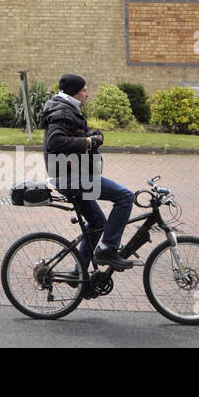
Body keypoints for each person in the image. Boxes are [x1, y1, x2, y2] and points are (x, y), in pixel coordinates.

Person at [39, 74, 136, 271]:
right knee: (125, 197)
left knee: (97, 222)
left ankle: (80, 272)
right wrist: (88, 141)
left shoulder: (66, 109)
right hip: (70, 177)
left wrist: (93, 135)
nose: (87, 94)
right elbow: (55, 141)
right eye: (84, 90)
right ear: (74, 92)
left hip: (69, 176)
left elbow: (81, 130)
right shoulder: (63, 111)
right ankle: (108, 249)